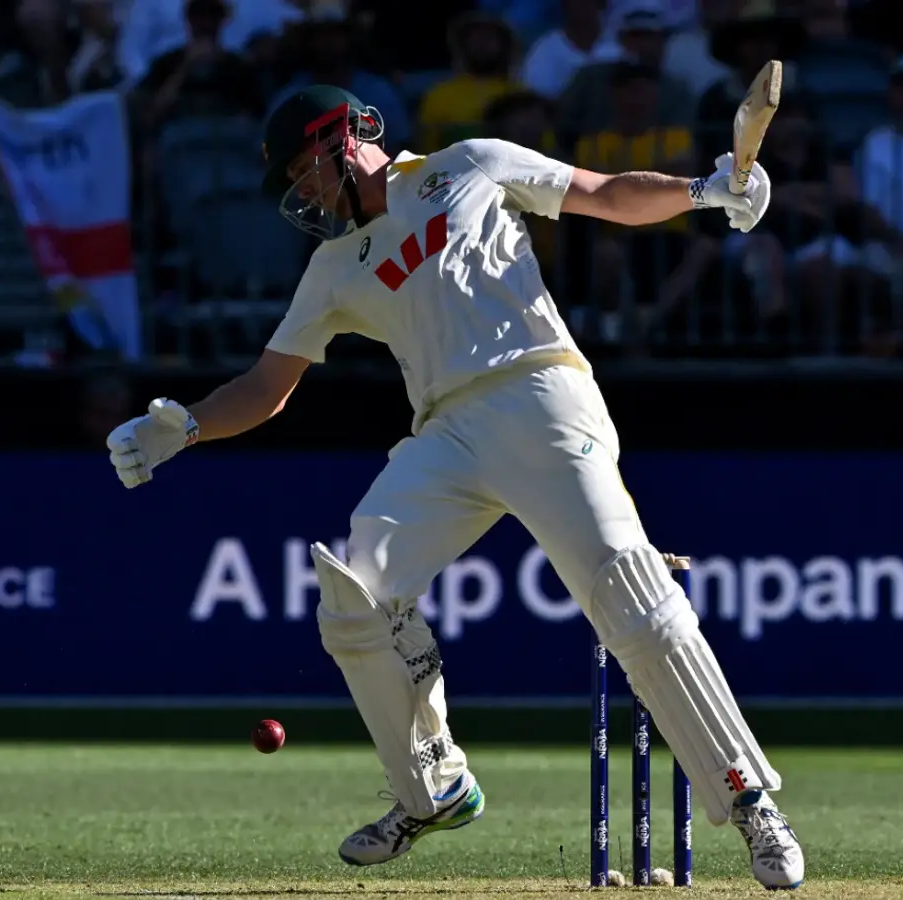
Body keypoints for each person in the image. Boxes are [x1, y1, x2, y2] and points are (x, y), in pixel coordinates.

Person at [104, 84, 803, 890]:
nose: (307, 194)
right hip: (447, 434)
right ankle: (432, 790)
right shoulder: (333, 267)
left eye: (307, 170)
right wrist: (182, 426)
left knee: (631, 595)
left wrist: (704, 192)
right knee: (355, 589)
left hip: (540, 393)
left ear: (345, 137)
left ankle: (752, 804)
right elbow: (267, 386)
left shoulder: (468, 164)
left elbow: (606, 196)